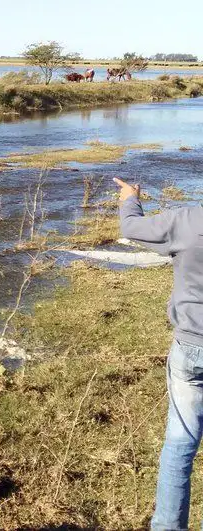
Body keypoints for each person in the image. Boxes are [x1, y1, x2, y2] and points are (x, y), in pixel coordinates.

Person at [115, 177, 203, 530]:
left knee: (180, 444)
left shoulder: (188, 221)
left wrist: (129, 197)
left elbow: (131, 227)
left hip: (191, 345)